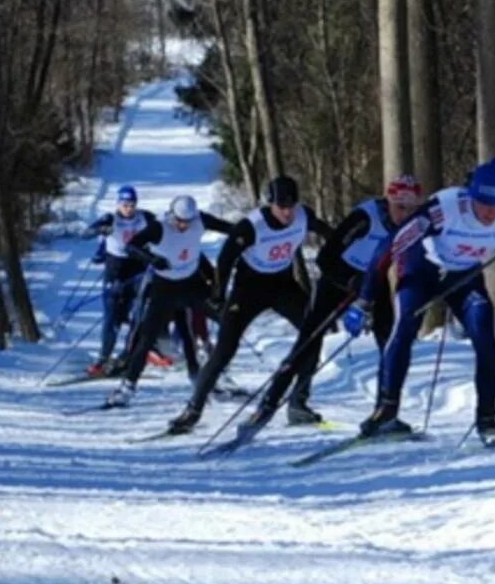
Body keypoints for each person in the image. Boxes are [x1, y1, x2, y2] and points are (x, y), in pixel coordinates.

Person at [347, 158, 495, 444]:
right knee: (403, 330)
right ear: (471, 196)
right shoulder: (443, 209)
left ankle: (488, 421)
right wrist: (364, 301)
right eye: (484, 204)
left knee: (486, 338)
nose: (491, 213)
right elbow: (390, 247)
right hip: (421, 269)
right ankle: (386, 411)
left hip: (464, 277)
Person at [240, 175, 424, 432]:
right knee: (307, 342)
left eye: (413, 208)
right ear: (388, 200)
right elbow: (326, 258)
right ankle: (268, 406)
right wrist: (351, 281)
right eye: (401, 207)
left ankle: (384, 412)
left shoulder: (414, 224)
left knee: (390, 342)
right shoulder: (365, 218)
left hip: (373, 282)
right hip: (336, 281)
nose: (406, 214)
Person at [165, 174, 334, 434]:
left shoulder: (303, 215)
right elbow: (225, 259)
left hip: (284, 285)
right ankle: (193, 410)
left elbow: (330, 234)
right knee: (225, 350)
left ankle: (299, 403)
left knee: (314, 333)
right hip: (248, 289)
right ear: (270, 203)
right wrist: (218, 294)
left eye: (291, 206)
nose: (287, 212)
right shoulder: (251, 226)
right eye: (281, 206)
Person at [105, 195, 234, 406]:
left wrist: (251, 234)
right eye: (179, 221)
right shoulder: (160, 228)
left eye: (187, 221)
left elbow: (230, 228)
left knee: (228, 320)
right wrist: (152, 259)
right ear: (172, 215)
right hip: (164, 288)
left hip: (193, 285)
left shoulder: (199, 220)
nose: (183, 225)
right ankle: (127, 387)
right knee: (146, 337)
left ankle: (215, 376)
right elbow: (132, 246)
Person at [84, 185, 156, 375]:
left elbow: (162, 230)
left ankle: (129, 355)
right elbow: (86, 233)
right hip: (115, 273)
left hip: (138, 272)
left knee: (138, 317)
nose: (129, 208)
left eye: (132, 204)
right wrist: (100, 229)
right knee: (111, 319)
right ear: (118, 203)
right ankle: (103, 358)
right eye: (125, 204)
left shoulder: (145, 217)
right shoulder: (110, 218)